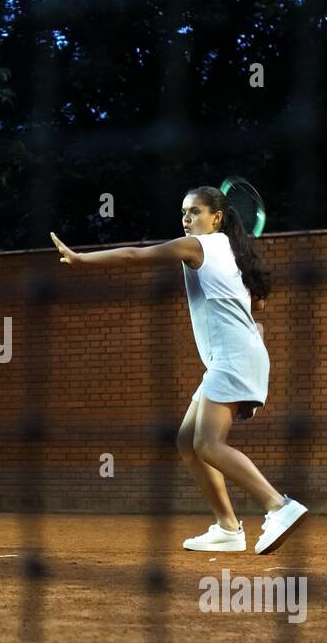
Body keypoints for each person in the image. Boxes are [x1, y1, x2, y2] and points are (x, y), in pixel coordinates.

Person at [51, 185, 308, 554]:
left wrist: (81, 260)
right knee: (188, 441)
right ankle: (228, 529)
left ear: (216, 217)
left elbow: (132, 256)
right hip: (233, 356)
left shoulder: (197, 246)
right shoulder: (233, 253)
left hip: (233, 357)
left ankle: (280, 507)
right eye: (184, 214)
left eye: (195, 212)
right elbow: (254, 305)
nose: (186, 220)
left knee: (208, 443)